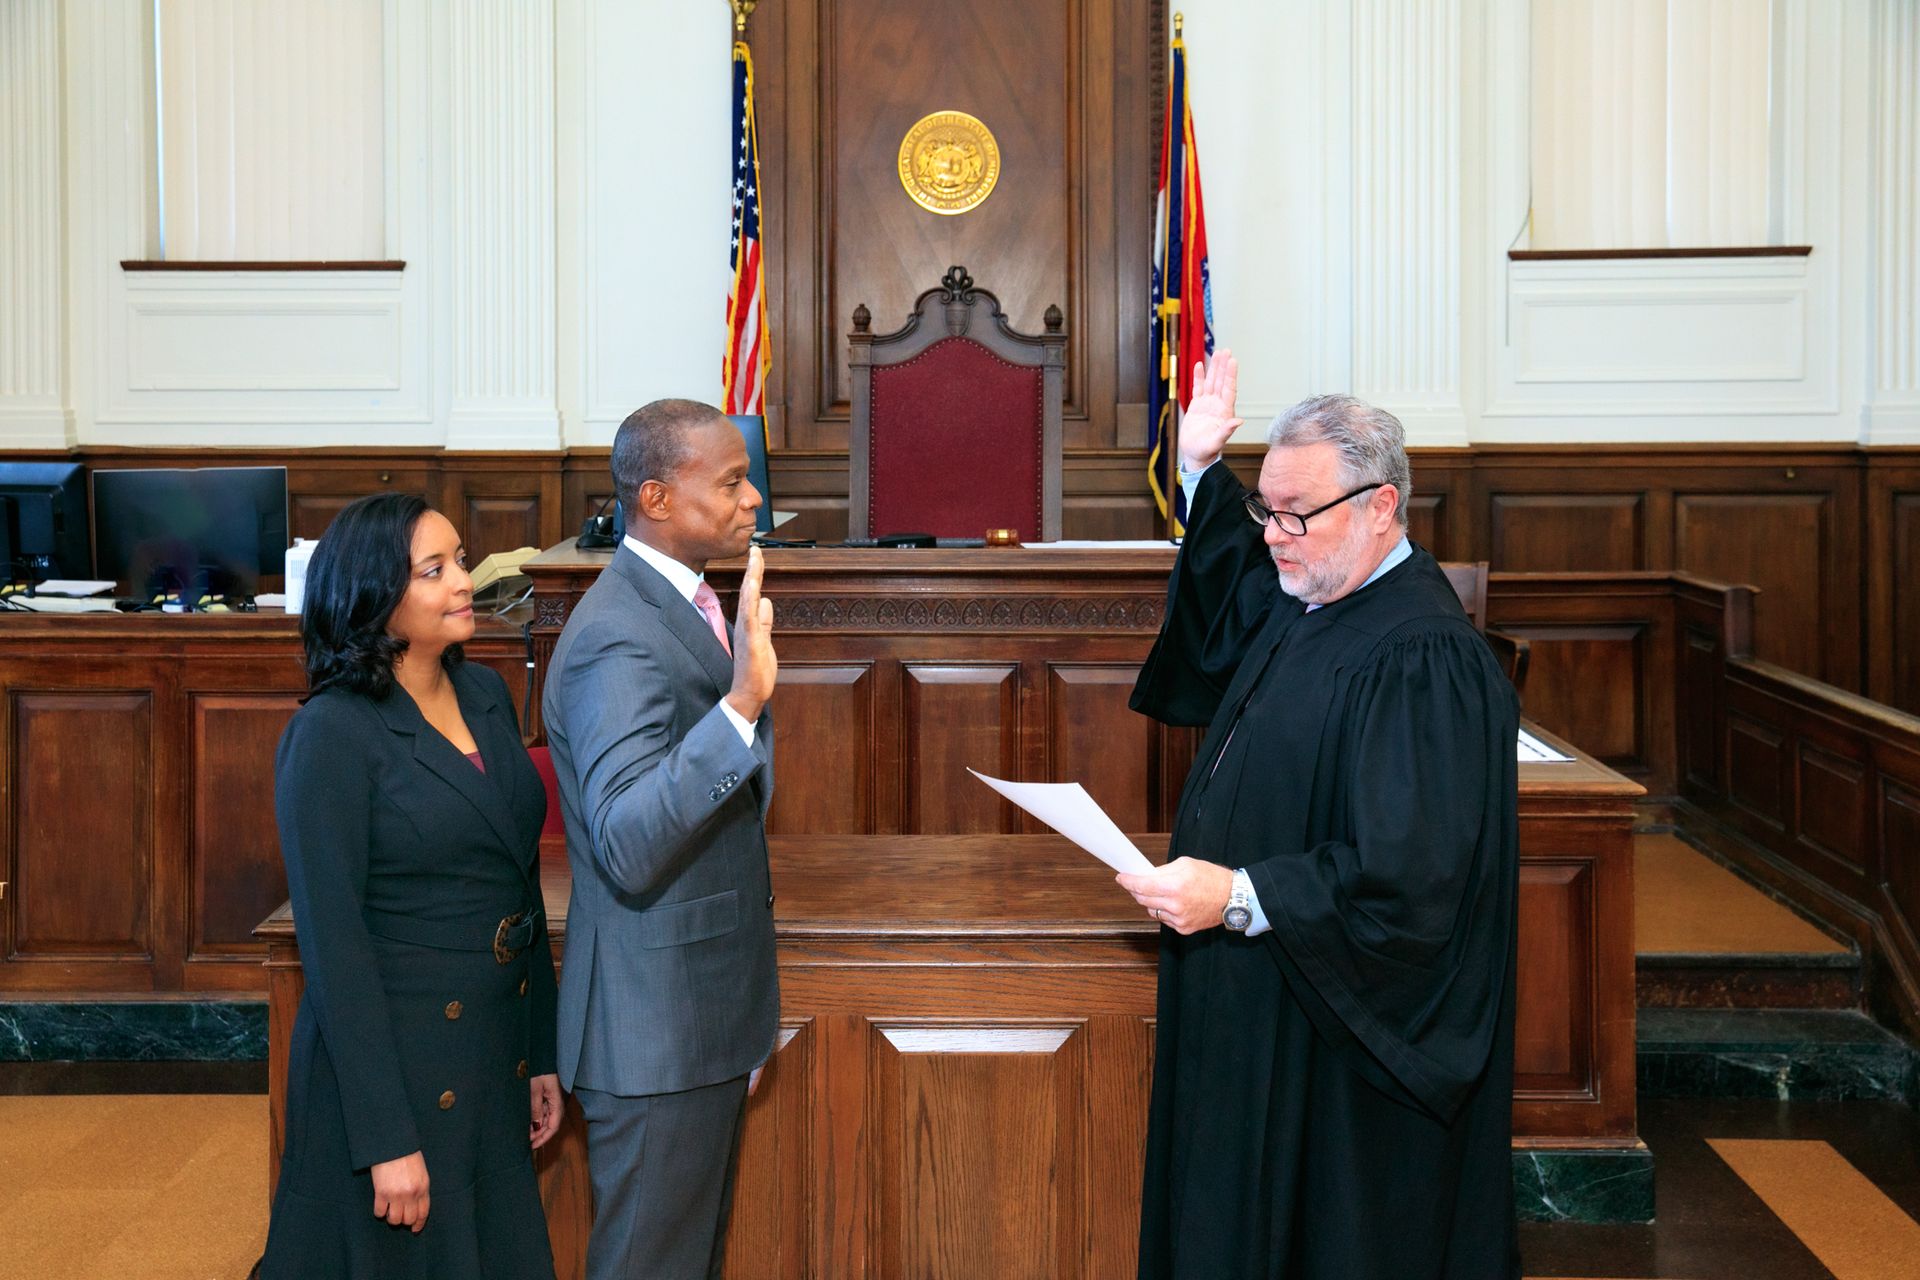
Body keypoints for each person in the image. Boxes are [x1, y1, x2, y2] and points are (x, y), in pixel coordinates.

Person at [1117, 352, 1521, 1280]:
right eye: (1269, 509)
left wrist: (1242, 893)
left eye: (1298, 515)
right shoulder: (1317, 594)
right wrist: (1198, 471)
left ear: (1381, 506)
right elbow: (1230, 602)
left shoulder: (1422, 655)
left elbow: (1411, 882)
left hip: (1339, 1057)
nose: (1275, 537)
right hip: (1259, 1007)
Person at [260, 493, 562, 1279]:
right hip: (395, 1069)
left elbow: (517, 883)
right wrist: (385, 1139)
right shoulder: (330, 734)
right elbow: (334, 954)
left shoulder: (486, 693)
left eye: (460, 559)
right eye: (435, 571)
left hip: (491, 1051)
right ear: (373, 596)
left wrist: (540, 1055)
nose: (464, 580)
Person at [542, 398, 779, 1280]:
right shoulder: (616, 638)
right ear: (656, 497)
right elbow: (628, 840)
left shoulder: (687, 603)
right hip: (655, 1031)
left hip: (698, 1019)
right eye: (728, 482)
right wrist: (743, 704)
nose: (752, 498)